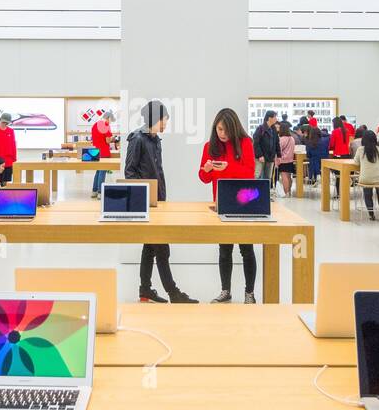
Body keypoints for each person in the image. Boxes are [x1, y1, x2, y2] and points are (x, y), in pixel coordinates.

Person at [124, 100, 196, 304]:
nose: (166, 124)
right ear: (155, 118)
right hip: (147, 202)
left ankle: (145, 291)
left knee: (150, 246)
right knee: (162, 247)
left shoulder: (155, 140)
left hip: (159, 201)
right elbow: (129, 172)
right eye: (164, 119)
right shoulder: (137, 139)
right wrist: (145, 195)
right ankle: (173, 292)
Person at [199, 108, 258, 304]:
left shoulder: (245, 143)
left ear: (233, 128)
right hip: (221, 204)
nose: (221, 134)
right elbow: (204, 178)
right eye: (218, 129)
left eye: (224, 130)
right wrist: (206, 169)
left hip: (243, 204)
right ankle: (226, 291)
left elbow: (249, 174)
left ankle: (249, 293)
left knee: (246, 249)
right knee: (224, 250)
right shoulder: (210, 146)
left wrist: (228, 167)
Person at [353, 129, 379, 220]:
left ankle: (371, 214)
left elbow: (356, 163)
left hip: (365, 179)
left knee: (367, 194)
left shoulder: (360, 149)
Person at [90, 110, 116, 198]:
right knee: (102, 172)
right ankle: (100, 193)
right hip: (104, 152)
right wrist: (113, 138)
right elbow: (108, 140)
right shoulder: (106, 125)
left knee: (97, 171)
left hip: (96, 151)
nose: (110, 122)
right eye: (111, 120)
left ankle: (94, 191)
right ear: (108, 118)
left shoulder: (94, 125)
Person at [252, 110, 279, 184]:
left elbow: (276, 142)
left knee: (268, 177)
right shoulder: (260, 128)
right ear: (270, 118)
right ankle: (254, 193)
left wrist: (278, 155)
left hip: (270, 157)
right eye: (275, 117)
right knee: (257, 175)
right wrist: (260, 155)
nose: (276, 119)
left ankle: (266, 193)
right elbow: (256, 143)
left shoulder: (274, 130)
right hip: (260, 157)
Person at [275, 120, 297, 197]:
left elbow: (279, 151)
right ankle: (289, 191)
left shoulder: (281, 139)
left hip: (283, 160)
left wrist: (277, 161)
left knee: (284, 177)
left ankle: (286, 192)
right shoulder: (292, 138)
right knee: (289, 176)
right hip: (290, 160)